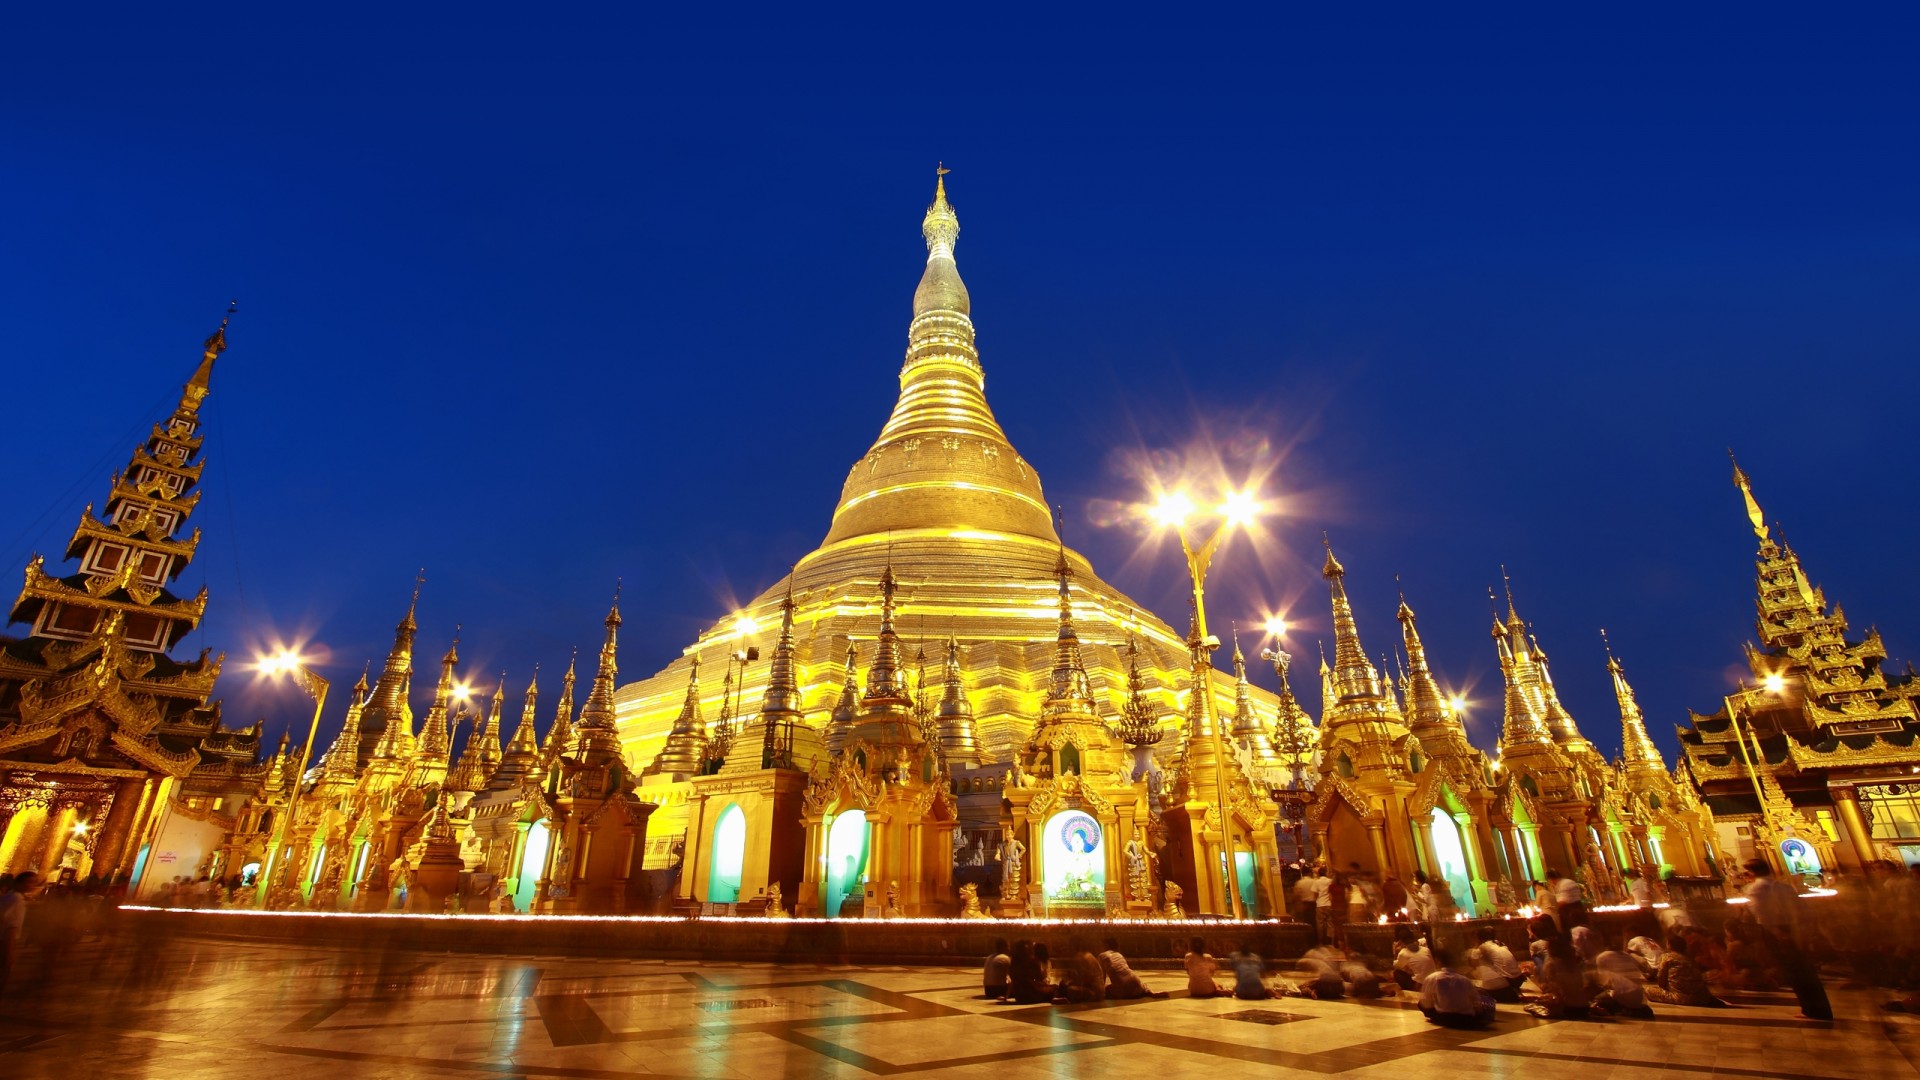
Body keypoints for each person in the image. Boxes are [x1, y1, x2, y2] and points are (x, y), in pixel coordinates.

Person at [1743, 858, 1832, 1021]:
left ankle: (1809, 1009)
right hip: (1794, 928)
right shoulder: (1784, 887)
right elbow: (1802, 910)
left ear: (1751, 873)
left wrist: (1776, 932)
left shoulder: (1755, 889)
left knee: (1792, 971)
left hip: (1775, 931)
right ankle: (1820, 1009)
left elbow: (1762, 915)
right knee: (1805, 970)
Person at [1419, 948, 1497, 1028]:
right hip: (1466, 1018)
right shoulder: (1465, 980)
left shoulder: (1432, 978)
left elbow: (1426, 1003)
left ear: (1438, 962)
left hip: (1444, 1017)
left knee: (1421, 1003)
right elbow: (1476, 1002)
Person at [1642, 931, 1723, 1007]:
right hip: (1701, 998)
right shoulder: (1689, 958)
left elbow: (1661, 981)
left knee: (1648, 990)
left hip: (1681, 997)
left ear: (1670, 945)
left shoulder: (1666, 957)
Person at [1524, 933, 1592, 1020]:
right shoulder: (1573, 962)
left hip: (1568, 1008)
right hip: (1584, 1005)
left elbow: (1552, 989)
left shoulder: (1552, 964)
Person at [1590, 949, 1654, 1018]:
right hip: (1639, 997)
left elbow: (1603, 984)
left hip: (1623, 997)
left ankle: (1621, 1009)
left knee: (1597, 999)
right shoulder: (1627, 955)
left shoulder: (1602, 957)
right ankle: (1628, 1009)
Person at [1097, 937, 1162, 999]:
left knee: (1107, 989)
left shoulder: (1102, 955)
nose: (1100, 947)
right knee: (1137, 983)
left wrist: (1101, 991)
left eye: (1101, 945)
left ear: (1106, 945)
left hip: (1123, 989)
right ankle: (1149, 992)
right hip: (1136, 983)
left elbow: (1102, 977)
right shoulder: (1119, 954)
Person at [1471, 926, 1523, 1003]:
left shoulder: (1484, 946)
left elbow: (1473, 957)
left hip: (1508, 980)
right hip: (1519, 978)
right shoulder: (1500, 943)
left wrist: (1477, 943)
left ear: (1480, 938)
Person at [0, 872, 32, 987]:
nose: (32, 886)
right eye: (30, 882)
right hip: (5, 942)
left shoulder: (9, 896)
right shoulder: (16, 899)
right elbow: (11, 926)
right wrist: (9, 951)